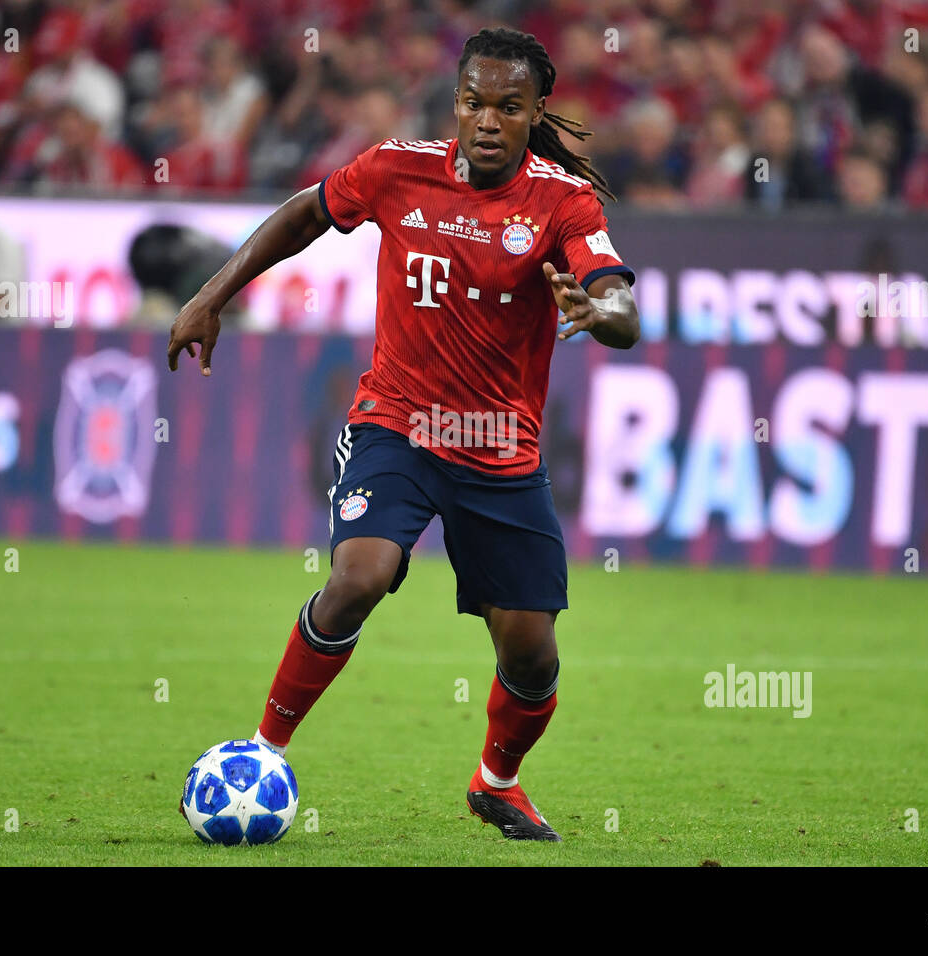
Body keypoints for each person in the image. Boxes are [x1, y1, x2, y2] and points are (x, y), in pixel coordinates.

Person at [167, 27, 639, 841]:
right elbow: (304, 215)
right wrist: (214, 293)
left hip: (501, 449)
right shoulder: (396, 168)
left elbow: (621, 301)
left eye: (508, 107)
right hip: (399, 425)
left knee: (531, 657)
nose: (487, 120)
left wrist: (603, 312)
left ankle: (498, 781)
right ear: (456, 101)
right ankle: (263, 751)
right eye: (473, 101)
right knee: (359, 575)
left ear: (534, 114)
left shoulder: (562, 201)